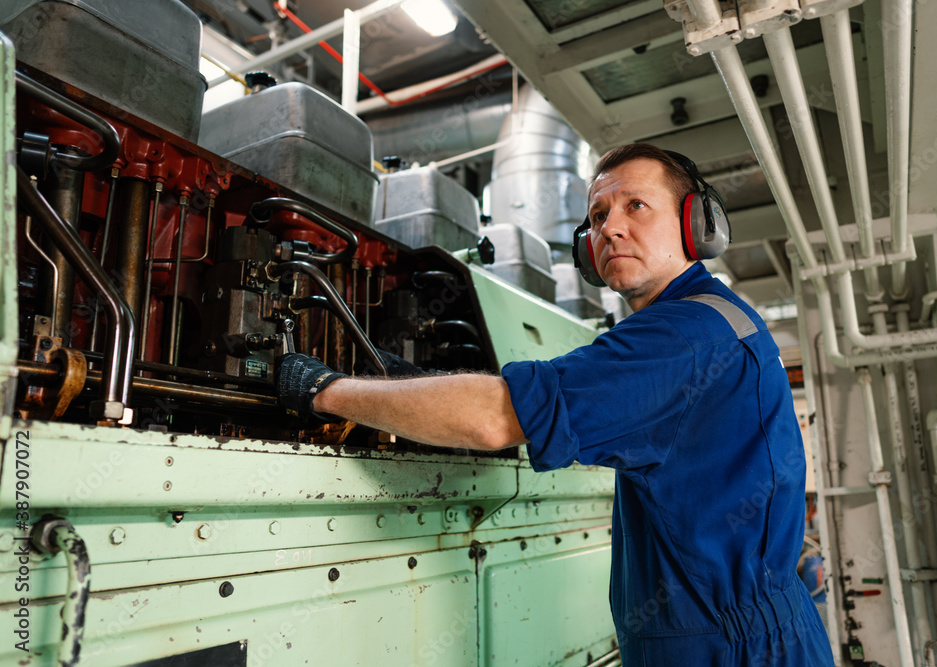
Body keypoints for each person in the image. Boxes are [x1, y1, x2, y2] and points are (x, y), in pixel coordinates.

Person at [276, 143, 834, 666]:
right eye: (596, 217)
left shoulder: (683, 336)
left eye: (635, 205)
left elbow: (495, 418)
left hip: (730, 649)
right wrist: (405, 386)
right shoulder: (707, 318)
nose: (611, 227)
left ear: (697, 224)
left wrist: (325, 390)